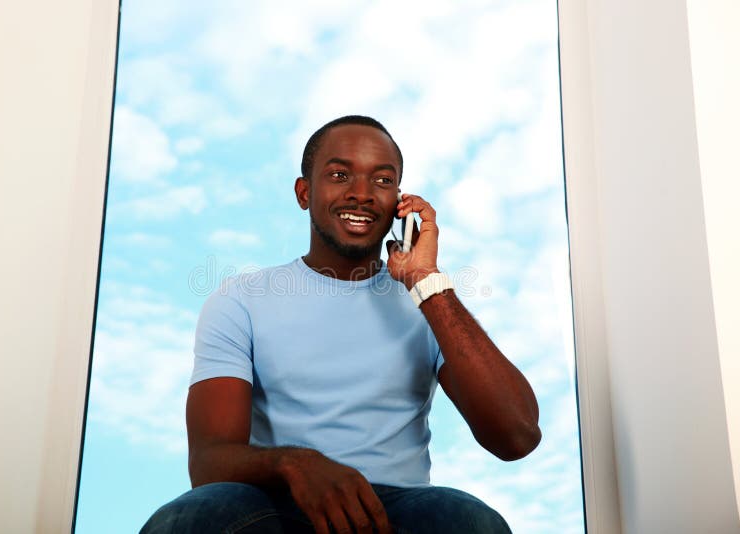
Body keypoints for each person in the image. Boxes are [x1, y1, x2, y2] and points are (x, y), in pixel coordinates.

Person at [141, 115, 541, 533]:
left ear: (400, 202)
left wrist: (426, 281)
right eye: (339, 175)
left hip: (396, 509)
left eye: (382, 181)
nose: (362, 194)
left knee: (471, 522)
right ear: (304, 193)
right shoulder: (241, 299)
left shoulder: (428, 305)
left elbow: (517, 437)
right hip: (274, 502)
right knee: (186, 519)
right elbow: (209, 462)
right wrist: (297, 464)